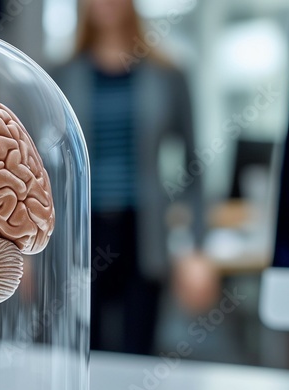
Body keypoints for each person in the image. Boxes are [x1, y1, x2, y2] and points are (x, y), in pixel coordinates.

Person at [54, 0, 219, 354]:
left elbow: (194, 166)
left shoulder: (168, 74)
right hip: (82, 232)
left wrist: (197, 247)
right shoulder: (61, 73)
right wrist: (27, 252)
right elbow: (43, 164)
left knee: (138, 352)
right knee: (83, 352)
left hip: (143, 233)